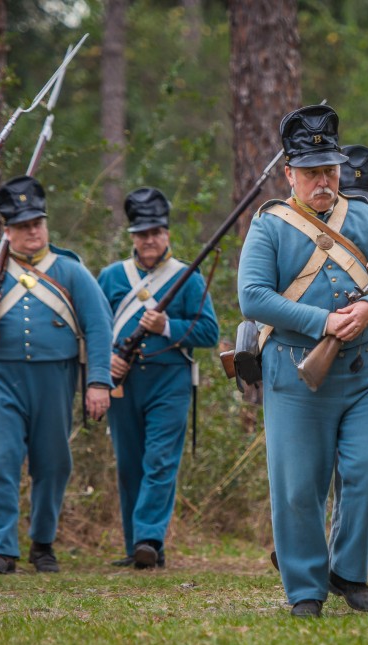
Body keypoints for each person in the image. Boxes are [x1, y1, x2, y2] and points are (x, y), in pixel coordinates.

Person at [238, 104, 368, 618]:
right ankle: (304, 590)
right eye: (311, 171)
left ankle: (348, 570)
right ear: (289, 174)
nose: (323, 180)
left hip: (365, 371)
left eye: (330, 169)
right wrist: (323, 322)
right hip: (296, 373)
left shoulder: (364, 217)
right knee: (299, 487)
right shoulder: (270, 227)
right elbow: (252, 297)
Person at [0, 175, 113, 574]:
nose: (32, 231)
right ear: (7, 230)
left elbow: (99, 326)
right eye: (22, 225)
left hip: (56, 378)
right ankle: (1, 549)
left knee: (52, 464)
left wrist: (99, 381)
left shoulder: (69, 270)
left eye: (37, 223)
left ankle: (43, 543)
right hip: (0, 375)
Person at [98, 187, 219, 570]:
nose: (148, 240)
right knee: (130, 462)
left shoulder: (186, 277)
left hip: (170, 380)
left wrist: (167, 325)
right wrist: (106, 364)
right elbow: (96, 328)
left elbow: (209, 332)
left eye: (155, 232)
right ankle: (139, 545)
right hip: (124, 382)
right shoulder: (112, 277)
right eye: (141, 233)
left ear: (166, 234)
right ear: (132, 236)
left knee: (160, 460)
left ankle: (149, 536)